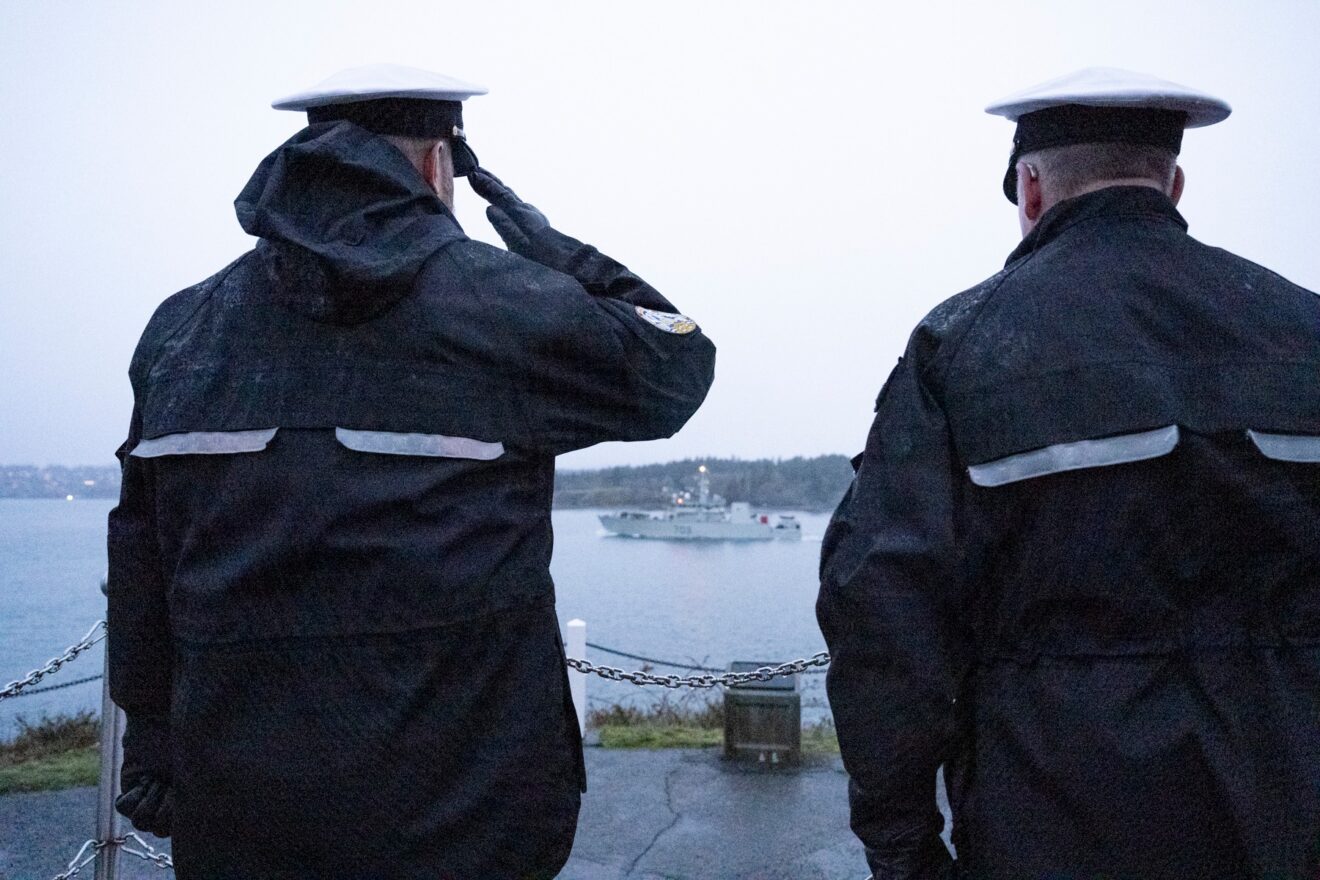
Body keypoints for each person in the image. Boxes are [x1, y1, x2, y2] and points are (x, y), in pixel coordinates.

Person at [106, 63, 715, 879]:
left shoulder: (181, 330)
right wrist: (546, 245)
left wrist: (152, 736)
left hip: (240, 809)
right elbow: (677, 365)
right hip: (469, 811)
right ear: (438, 166)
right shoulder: (507, 307)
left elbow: (140, 561)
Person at [817, 67, 1320, 880]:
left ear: (1032, 189)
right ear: (1175, 184)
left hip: (1052, 819)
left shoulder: (963, 344)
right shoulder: (1307, 328)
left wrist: (903, 845)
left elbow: (883, 610)